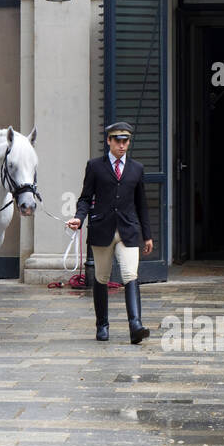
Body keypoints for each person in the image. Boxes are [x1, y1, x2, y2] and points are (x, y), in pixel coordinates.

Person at [68, 121, 154, 344]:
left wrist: (147, 235)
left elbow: (141, 204)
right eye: (118, 140)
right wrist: (79, 217)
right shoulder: (95, 166)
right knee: (102, 277)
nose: (122, 145)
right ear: (108, 141)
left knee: (130, 275)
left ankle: (135, 325)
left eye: (126, 141)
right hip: (102, 229)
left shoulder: (137, 168)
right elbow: (85, 198)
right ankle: (102, 324)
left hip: (129, 230)